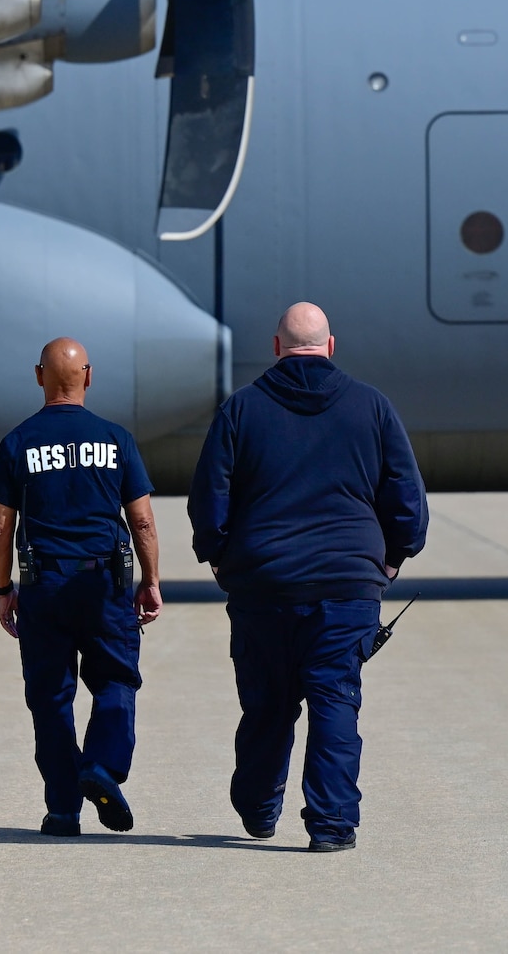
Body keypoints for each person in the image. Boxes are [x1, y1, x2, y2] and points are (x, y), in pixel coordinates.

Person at [188, 301, 428, 852]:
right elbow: (407, 500)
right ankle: (331, 825)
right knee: (335, 700)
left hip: (262, 586)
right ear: (331, 345)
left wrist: (220, 557)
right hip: (347, 589)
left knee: (267, 704)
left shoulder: (241, 410)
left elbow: (209, 497)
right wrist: (393, 558)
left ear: (276, 348)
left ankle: (257, 805)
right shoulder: (373, 407)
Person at [0, 336, 161, 838]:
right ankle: (102, 767)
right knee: (115, 681)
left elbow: (1, 527)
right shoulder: (117, 439)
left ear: (40, 376)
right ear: (88, 376)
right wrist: (150, 581)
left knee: (50, 698)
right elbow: (142, 522)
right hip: (105, 583)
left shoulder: (17, 442)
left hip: (44, 584)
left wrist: (3, 588)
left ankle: (63, 811)